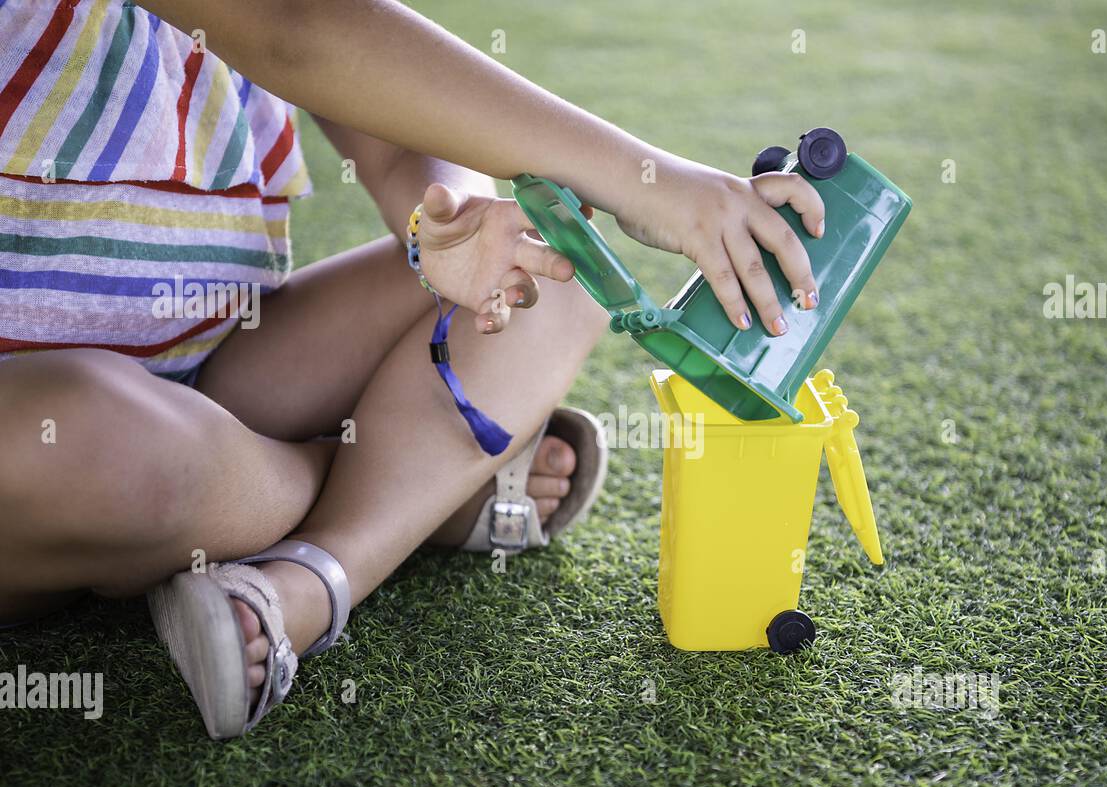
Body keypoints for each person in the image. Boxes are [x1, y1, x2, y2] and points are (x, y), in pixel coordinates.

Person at [0, 0, 825, 738]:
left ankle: (321, 573)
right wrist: (654, 180)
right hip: (51, 431)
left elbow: (395, 143)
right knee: (98, 446)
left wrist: (451, 223)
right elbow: (295, 27)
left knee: (556, 261)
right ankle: (414, 492)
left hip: (229, 363)